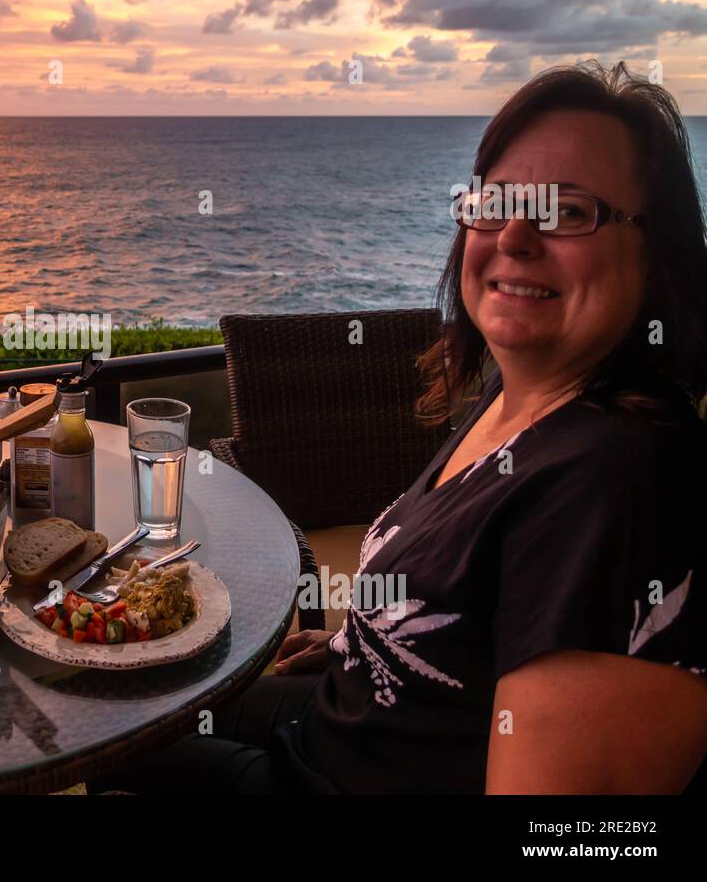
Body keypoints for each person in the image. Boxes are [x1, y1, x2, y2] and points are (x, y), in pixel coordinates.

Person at [93, 61, 707, 794]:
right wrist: (367, 642)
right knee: (122, 715)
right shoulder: (520, 400)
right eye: (497, 201)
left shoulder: (616, 484)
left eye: (568, 211)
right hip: (337, 717)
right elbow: (469, 617)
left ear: (658, 251)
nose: (513, 234)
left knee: (111, 750)